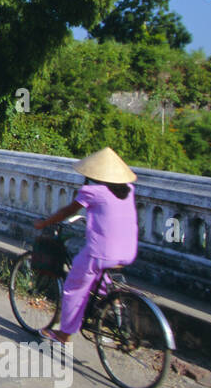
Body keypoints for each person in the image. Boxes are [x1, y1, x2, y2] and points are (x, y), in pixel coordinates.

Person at [32, 147, 139, 346]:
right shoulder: (129, 190)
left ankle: (64, 334)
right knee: (98, 274)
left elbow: (67, 212)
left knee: (73, 287)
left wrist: (44, 223)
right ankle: (112, 304)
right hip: (128, 251)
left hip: (102, 252)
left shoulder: (92, 192)